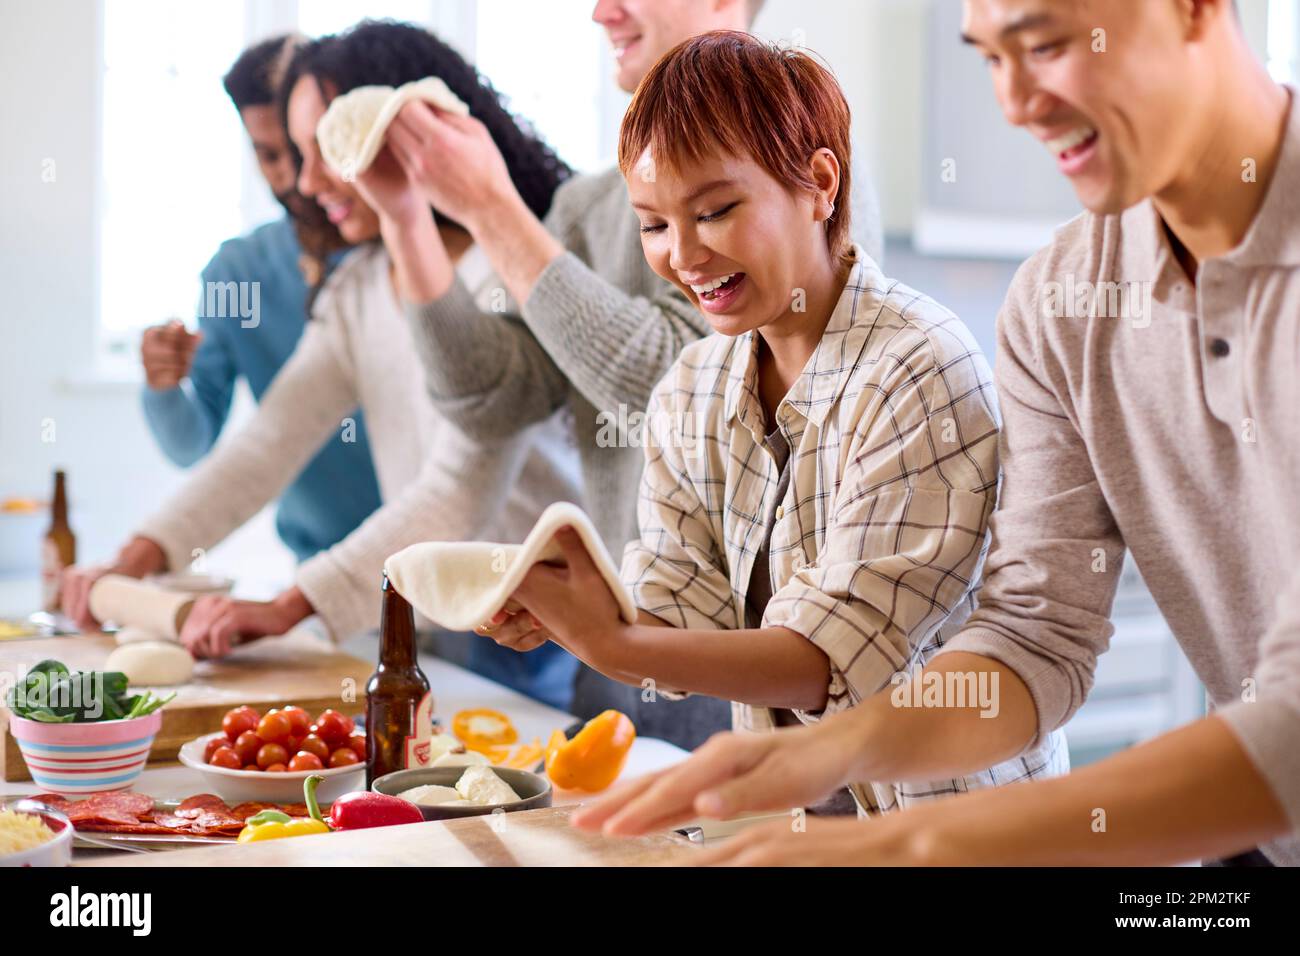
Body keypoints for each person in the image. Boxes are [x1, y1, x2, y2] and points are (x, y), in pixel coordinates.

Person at [574, 0, 1300, 867]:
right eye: (992, 58)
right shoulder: (1060, 303)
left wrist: (913, 840)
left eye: (1047, 45)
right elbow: (1037, 637)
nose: (1016, 103)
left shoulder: (923, 358)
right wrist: (826, 752)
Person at [483, 31, 1066, 816]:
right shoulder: (692, 388)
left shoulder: (920, 368)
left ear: (821, 184)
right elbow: (679, 617)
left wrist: (609, 642)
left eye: (715, 210)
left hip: (963, 830)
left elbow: (827, 659)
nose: (682, 255)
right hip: (802, 826)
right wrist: (560, 607)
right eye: (654, 225)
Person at [367, 0, 882, 750]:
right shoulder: (588, 202)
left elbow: (683, 381)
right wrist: (409, 218)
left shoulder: (806, 157)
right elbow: (493, 402)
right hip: (632, 642)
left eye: (713, 210)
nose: (600, 10)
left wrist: (491, 208)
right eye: (654, 223)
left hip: (754, 672)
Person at [61, 22, 584, 710]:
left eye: (325, 151)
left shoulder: (509, 270)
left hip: (531, 626)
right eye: (296, 154)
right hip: (428, 608)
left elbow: (457, 495)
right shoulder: (362, 287)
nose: (306, 183)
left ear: (404, 132)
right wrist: (138, 556)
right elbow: (266, 444)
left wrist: (289, 604)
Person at [139, 35, 382, 565]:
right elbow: (194, 445)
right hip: (320, 575)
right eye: (269, 155)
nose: (295, 176)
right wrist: (163, 386)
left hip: (440, 563)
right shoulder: (237, 275)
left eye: (303, 150)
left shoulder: (398, 253)